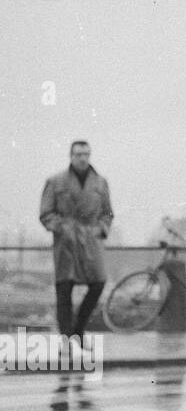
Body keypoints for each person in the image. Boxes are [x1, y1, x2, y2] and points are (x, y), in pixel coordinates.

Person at [40, 140, 114, 345]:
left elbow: (108, 213)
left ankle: (78, 328)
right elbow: (46, 213)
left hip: (91, 241)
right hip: (67, 241)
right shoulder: (55, 181)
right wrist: (61, 228)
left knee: (99, 282)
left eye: (86, 154)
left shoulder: (100, 183)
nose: (82, 158)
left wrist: (100, 229)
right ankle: (67, 338)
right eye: (78, 154)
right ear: (71, 156)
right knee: (64, 288)